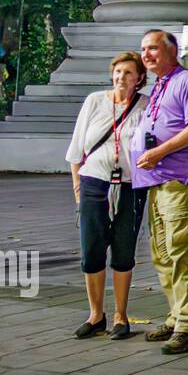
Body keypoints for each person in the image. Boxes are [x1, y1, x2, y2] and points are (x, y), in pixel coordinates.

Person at [131, 29, 188, 354]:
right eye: (143, 49)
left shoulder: (187, 81)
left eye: (152, 48)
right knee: (161, 253)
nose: (146, 54)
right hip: (154, 180)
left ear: (172, 50)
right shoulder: (159, 86)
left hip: (180, 177)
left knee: (183, 250)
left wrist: (159, 152)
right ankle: (176, 314)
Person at [65, 52, 149, 339]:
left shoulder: (145, 106)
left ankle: (121, 315)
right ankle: (95, 314)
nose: (121, 77)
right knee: (92, 249)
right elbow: (76, 150)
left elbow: (150, 147)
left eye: (128, 73)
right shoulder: (95, 101)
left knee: (124, 249)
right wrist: (78, 189)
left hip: (130, 186)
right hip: (93, 182)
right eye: (117, 72)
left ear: (139, 78)